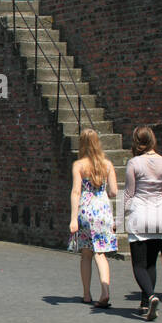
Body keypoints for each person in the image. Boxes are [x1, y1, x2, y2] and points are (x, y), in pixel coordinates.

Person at [124, 126, 162, 320]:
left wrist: (120, 218)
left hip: (140, 214)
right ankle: (145, 303)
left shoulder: (134, 163)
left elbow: (129, 194)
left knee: (138, 265)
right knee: (151, 263)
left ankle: (151, 296)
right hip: (159, 215)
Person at [68, 129, 118, 306]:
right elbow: (113, 191)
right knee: (101, 253)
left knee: (86, 254)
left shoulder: (79, 165)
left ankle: (87, 294)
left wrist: (73, 219)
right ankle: (105, 290)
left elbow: (76, 191)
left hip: (86, 211)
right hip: (103, 211)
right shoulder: (108, 165)